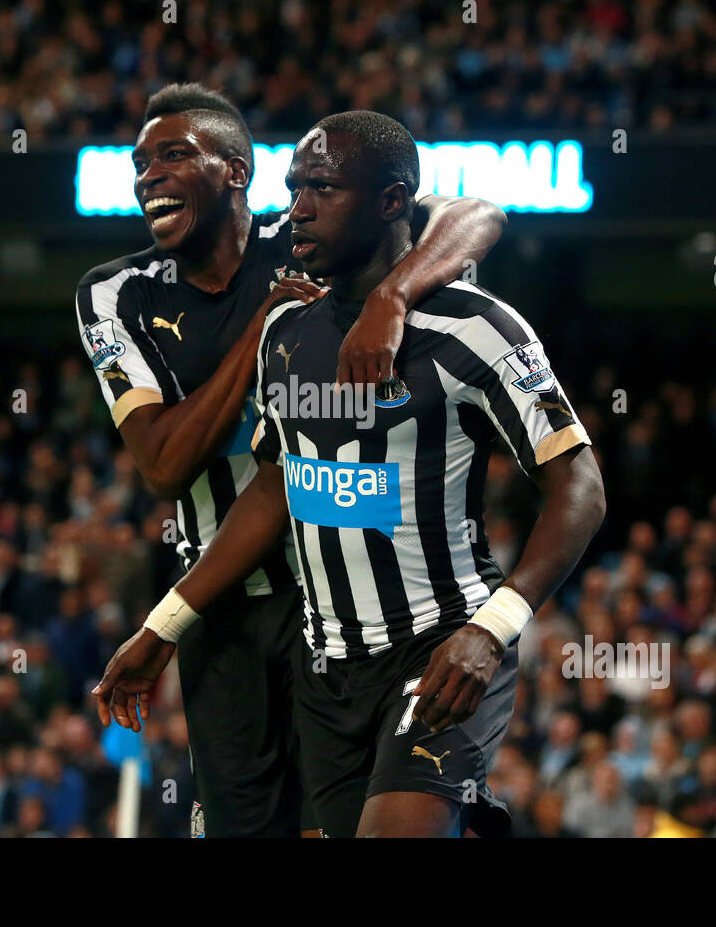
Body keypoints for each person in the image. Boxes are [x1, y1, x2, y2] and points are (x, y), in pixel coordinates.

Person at [96, 111, 604, 837]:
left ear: (393, 202)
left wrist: (494, 627)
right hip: (325, 671)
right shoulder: (285, 331)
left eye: (323, 189)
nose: (297, 207)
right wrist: (165, 625)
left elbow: (579, 482)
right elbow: (276, 485)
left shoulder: (476, 329)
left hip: (439, 646)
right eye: (295, 186)